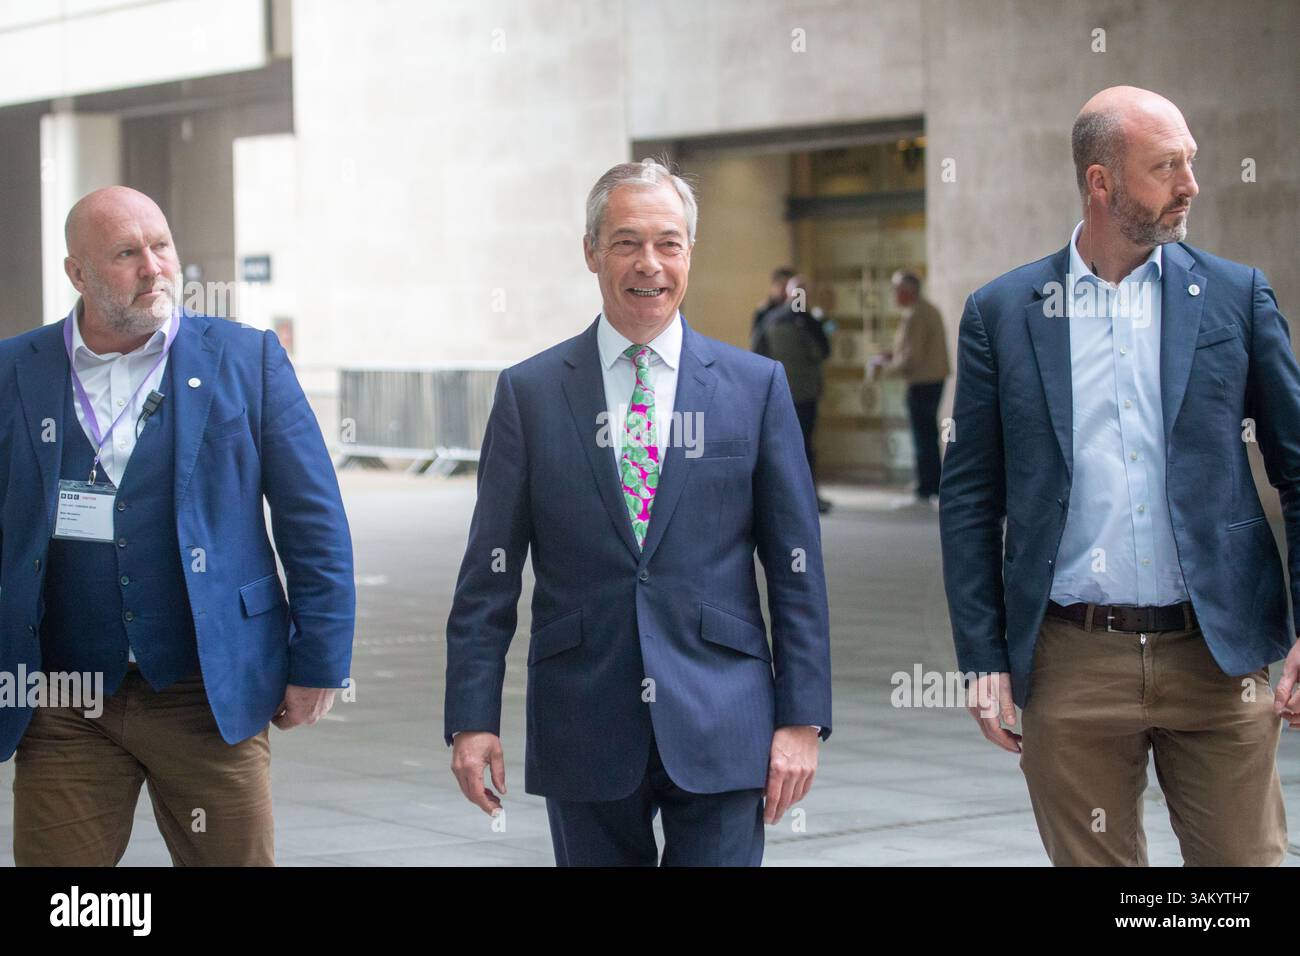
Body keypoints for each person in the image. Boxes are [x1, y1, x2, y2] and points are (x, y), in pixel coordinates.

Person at [939, 86, 1300, 866]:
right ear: (1100, 182)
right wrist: (984, 657)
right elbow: (970, 497)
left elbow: (1298, 466)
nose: (1190, 184)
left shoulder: (1235, 296)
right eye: (1166, 166)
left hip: (1218, 653)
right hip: (1072, 659)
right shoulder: (1003, 312)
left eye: (1192, 162)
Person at [444, 159, 832, 867]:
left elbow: (796, 567)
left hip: (723, 715)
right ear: (591, 251)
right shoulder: (529, 395)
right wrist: (471, 719)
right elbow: (488, 578)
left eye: (668, 242)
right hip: (584, 716)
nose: (648, 263)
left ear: (690, 252)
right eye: (626, 242)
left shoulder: (755, 388)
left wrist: (801, 719)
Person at [0, 186, 355, 865]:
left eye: (161, 246)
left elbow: (314, 519)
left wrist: (321, 659)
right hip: (65, 698)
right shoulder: (14, 369)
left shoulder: (245, 359)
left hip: (205, 688)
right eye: (127, 254)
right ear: (77, 273)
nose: (154, 268)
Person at [754, 274, 833, 512]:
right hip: (805, 393)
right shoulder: (808, 320)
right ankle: (808, 497)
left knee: (779, 446)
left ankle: (781, 499)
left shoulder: (770, 319)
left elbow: (757, 352)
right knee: (805, 445)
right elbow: (822, 352)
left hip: (778, 393)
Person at [870, 270, 949, 505]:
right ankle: (928, 483)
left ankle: (927, 487)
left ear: (907, 292)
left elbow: (912, 358)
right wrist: (891, 355)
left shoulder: (917, 314)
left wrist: (885, 367)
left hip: (923, 382)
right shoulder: (923, 310)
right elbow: (910, 350)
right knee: (926, 434)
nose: (893, 294)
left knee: (923, 435)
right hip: (929, 379)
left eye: (896, 290)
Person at [752, 266, 795, 336]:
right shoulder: (764, 310)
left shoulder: (797, 309)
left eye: (787, 286)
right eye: (780, 285)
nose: (784, 290)